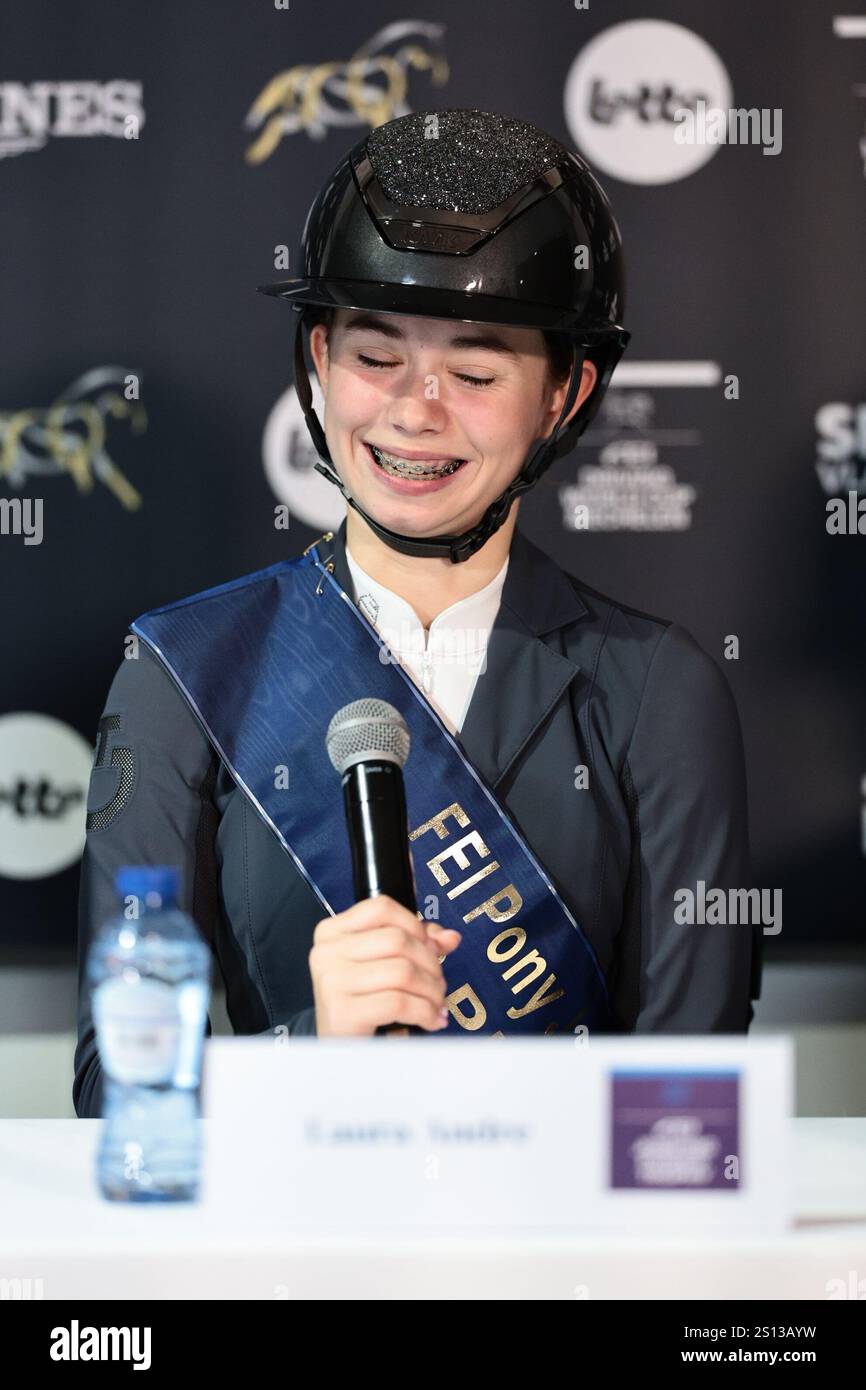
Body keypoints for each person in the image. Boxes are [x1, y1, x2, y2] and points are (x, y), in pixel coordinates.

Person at [73, 108, 761, 1119]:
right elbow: (117, 1098)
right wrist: (313, 1049)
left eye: (476, 373)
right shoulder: (183, 669)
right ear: (316, 356)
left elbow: (685, 1116)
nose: (414, 408)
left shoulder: (655, 687)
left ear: (565, 394)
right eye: (374, 355)